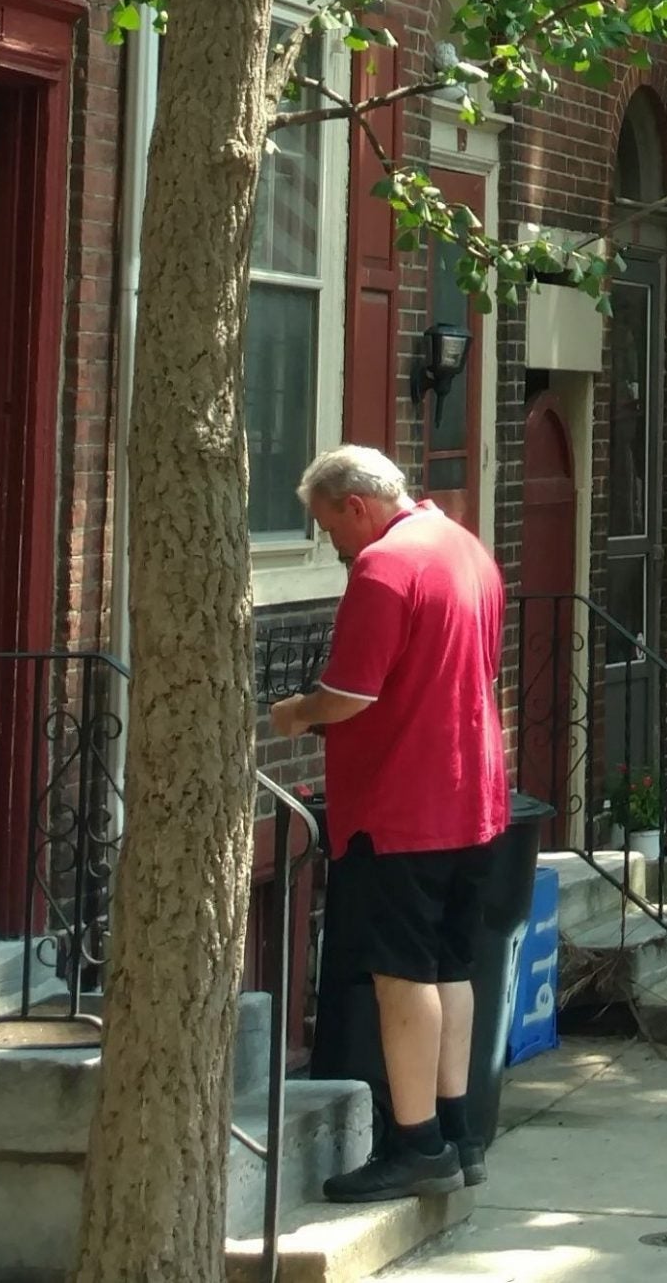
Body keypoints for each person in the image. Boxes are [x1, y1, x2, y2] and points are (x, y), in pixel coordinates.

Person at [264, 445, 505, 1203]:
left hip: (402, 805)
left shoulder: (383, 567)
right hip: (475, 795)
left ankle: (415, 1145)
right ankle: (460, 1134)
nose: (333, 544)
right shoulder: (466, 550)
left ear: (356, 506)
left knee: (401, 977)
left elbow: (350, 694)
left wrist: (297, 712)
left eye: (328, 525)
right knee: (451, 966)